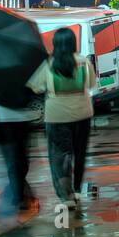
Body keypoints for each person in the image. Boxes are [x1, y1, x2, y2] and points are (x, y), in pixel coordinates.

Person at [28, 27, 96, 213]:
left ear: (56, 44)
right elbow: (91, 85)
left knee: (60, 156)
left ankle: (66, 197)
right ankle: (76, 191)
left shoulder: (50, 64)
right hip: (82, 114)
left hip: (56, 116)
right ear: (73, 43)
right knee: (79, 153)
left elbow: (35, 87)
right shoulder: (83, 62)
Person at [0, 85, 42, 219]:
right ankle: (17, 198)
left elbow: (32, 90)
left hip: (23, 118)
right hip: (2, 119)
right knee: (13, 161)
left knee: (23, 162)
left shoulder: (20, 71)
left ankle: (16, 193)